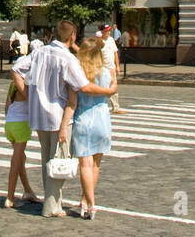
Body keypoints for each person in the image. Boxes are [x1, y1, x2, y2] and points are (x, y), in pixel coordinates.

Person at [9, 19, 116, 218]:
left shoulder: (39, 52)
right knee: (58, 160)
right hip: (59, 116)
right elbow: (83, 86)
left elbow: (15, 69)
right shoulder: (67, 58)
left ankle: (52, 201)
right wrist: (108, 91)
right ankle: (52, 206)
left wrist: (27, 94)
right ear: (73, 36)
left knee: (46, 160)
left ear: (54, 34)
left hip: (38, 114)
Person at [68, 36, 114, 219]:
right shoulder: (107, 72)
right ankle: (85, 201)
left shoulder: (79, 73)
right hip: (103, 120)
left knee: (85, 165)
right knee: (96, 165)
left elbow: (72, 101)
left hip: (84, 119)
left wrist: (64, 125)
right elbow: (114, 88)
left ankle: (91, 203)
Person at [2, 76, 38, 208]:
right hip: (22, 124)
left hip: (10, 124)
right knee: (16, 162)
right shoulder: (27, 87)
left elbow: (6, 106)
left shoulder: (12, 85)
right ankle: (10, 197)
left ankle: (28, 190)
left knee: (21, 159)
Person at [99, 25, 123, 114]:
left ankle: (115, 107)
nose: (108, 32)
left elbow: (115, 53)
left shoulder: (111, 40)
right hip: (103, 68)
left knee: (114, 87)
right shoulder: (99, 41)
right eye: (106, 31)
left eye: (109, 31)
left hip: (111, 67)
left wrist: (117, 66)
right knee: (103, 88)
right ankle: (101, 106)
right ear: (102, 32)